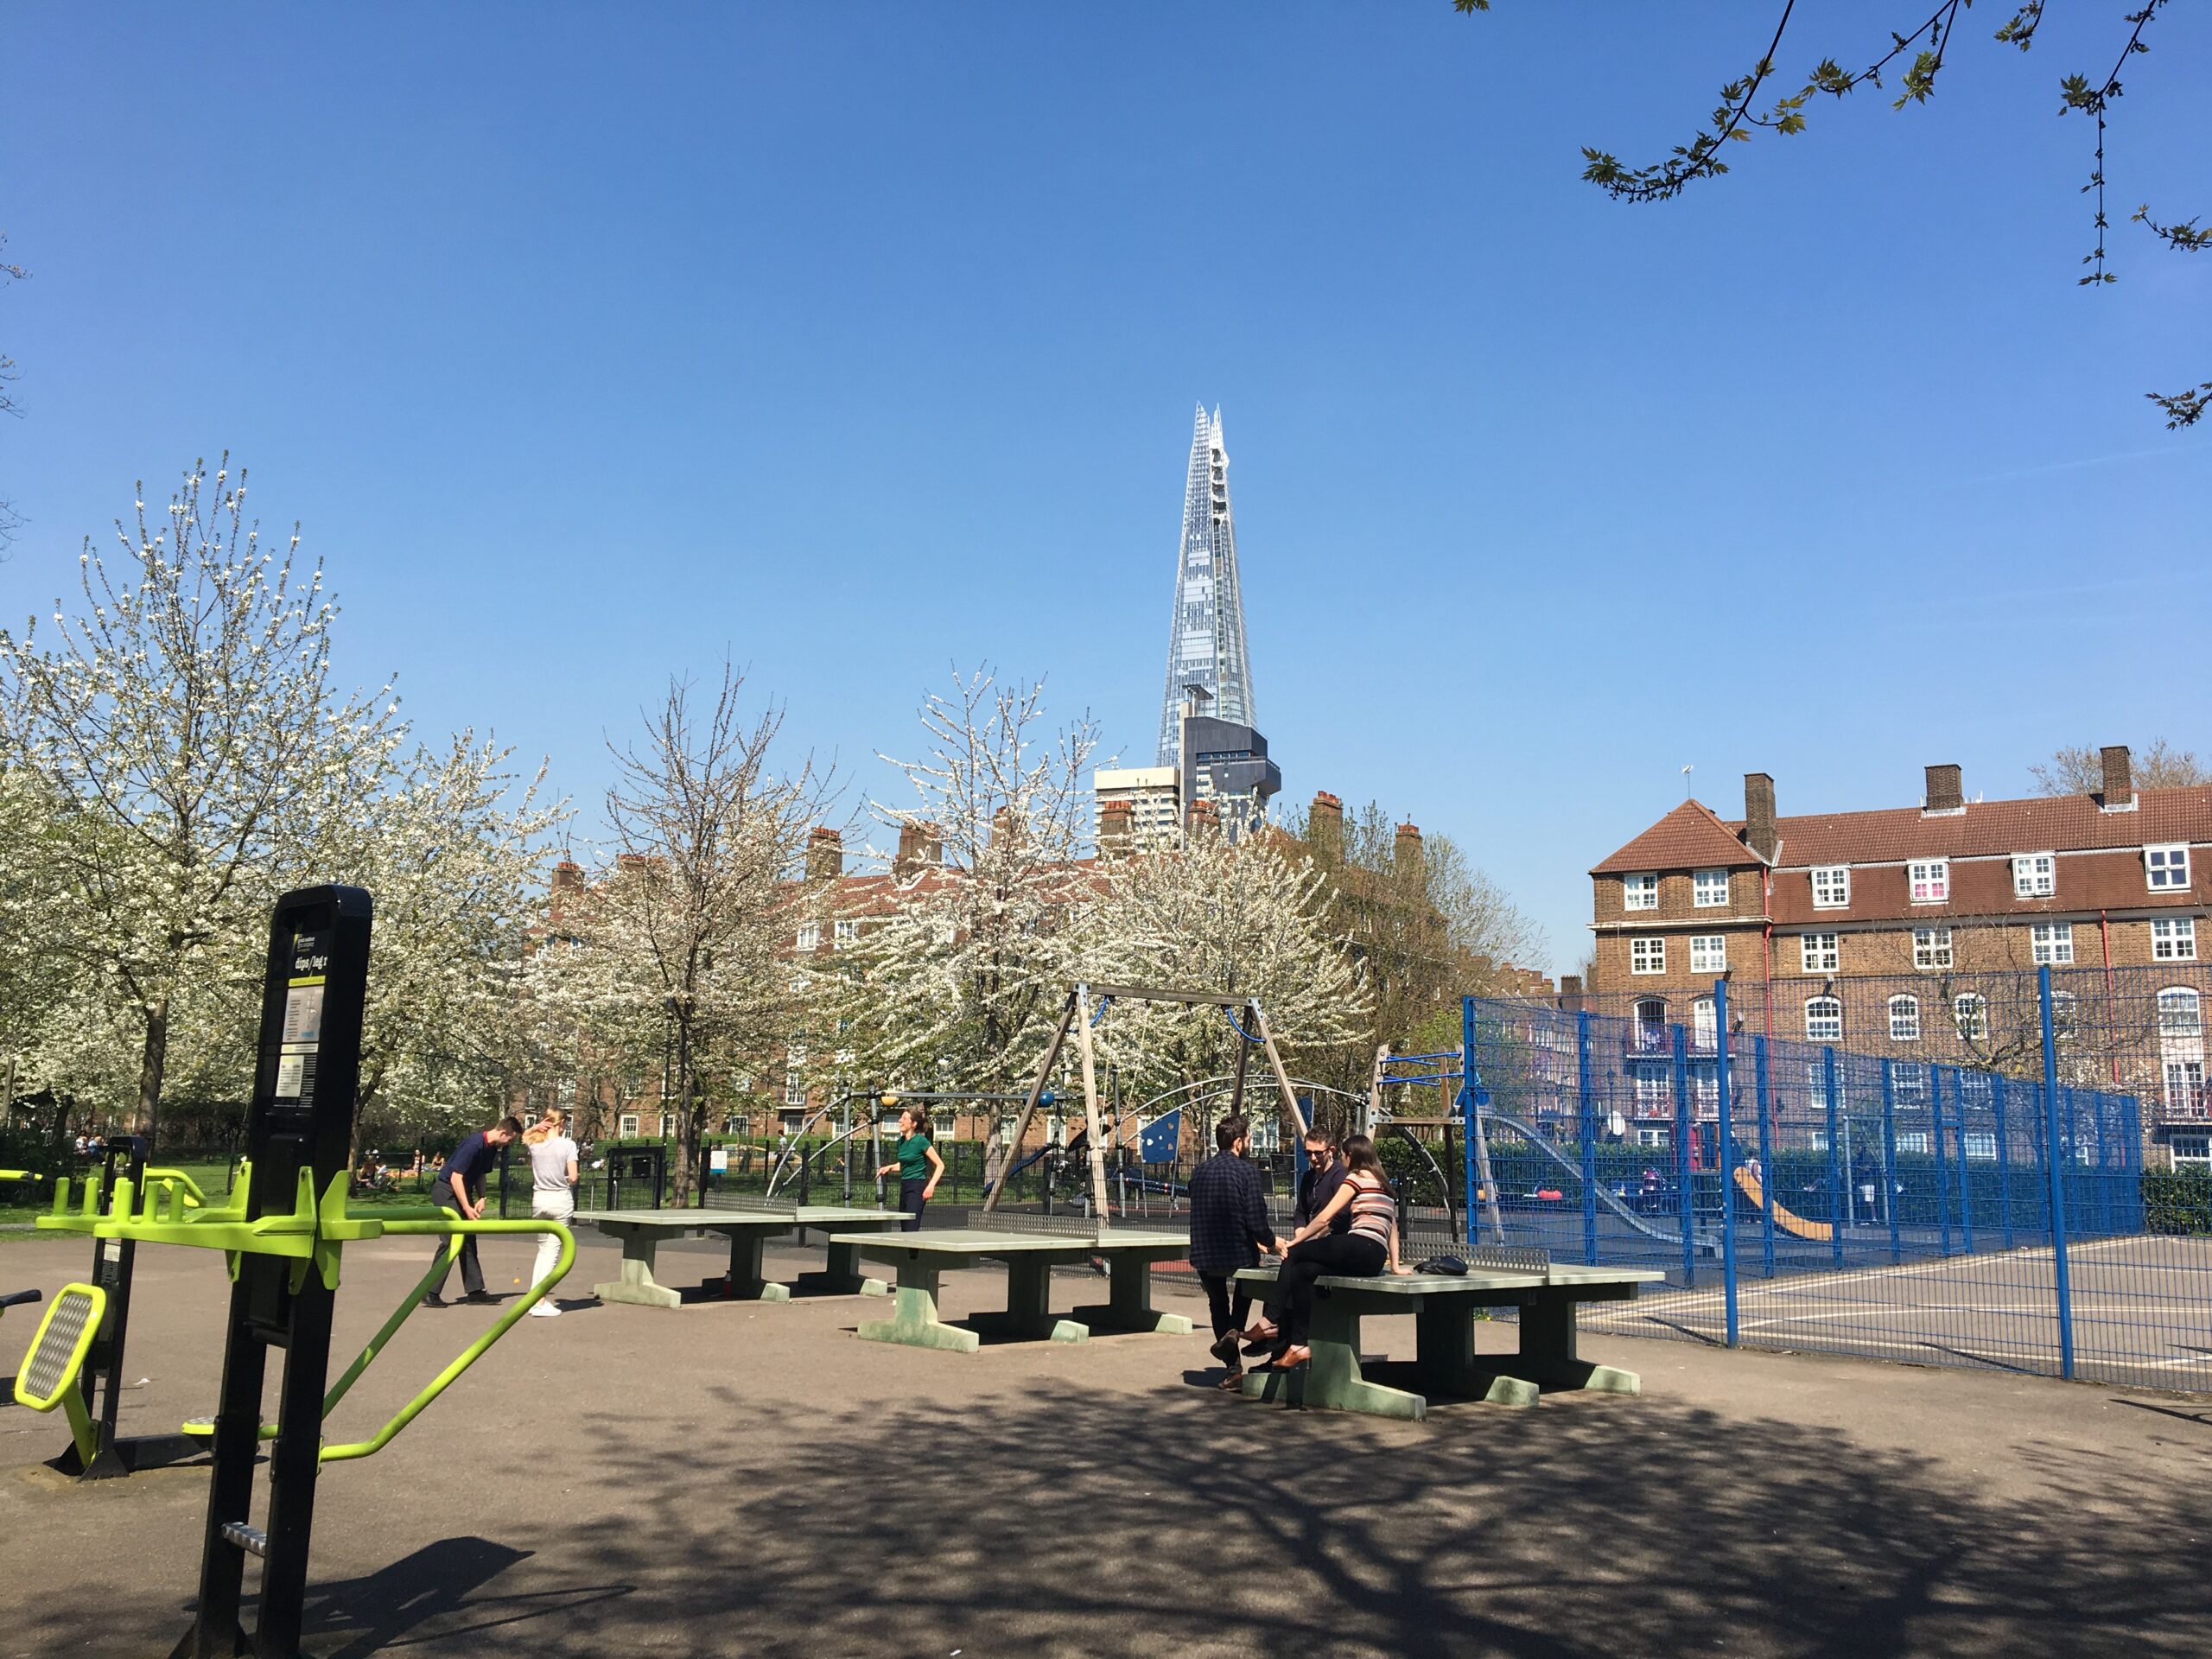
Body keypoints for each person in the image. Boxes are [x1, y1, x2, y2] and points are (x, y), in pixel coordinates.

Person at [1262, 1133, 1409, 1371]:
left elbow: (1325, 1217)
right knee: (1303, 1271)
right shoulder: (1384, 1185)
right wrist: (1394, 1265)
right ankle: (1298, 1345)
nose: (1341, 1161)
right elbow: (1392, 1227)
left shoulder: (1355, 1178)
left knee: (1294, 1254)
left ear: (1351, 1156)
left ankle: (1270, 1320)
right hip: (1374, 1258)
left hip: (1358, 1244)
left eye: (1342, 1156)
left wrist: (1296, 1242)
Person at [1185, 1115, 1279, 1391]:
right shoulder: (1247, 1172)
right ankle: (1234, 1332)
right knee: (1245, 1291)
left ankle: (1233, 1369)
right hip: (1238, 1250)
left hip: (1204, 1250)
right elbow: (1256, 1220)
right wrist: (1270, 1242)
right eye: (1248, 1138)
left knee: (1217, 1303)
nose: (1248, 1143)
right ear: (1238, 1142)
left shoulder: (1198, 1172)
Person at [1245, 1123, 1345, 1348]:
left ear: (1331, 1150)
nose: (1313, 1158)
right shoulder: (1309, 1177)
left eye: (1318, 1153)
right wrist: (1301, 1231)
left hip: (1332, 1242)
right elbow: (1301, 1211)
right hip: (1312, 1241)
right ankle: (1278, 1346)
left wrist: (1311, 1237)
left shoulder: (1340, 1176)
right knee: (1291, 1276)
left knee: (1291, 1261)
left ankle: (1270, 1327)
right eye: (1308, 1153)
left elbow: (1340, 1217)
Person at [423, 1115, 524, 1306]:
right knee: (451, 1240)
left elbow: (480, 1175)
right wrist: (467, 1207)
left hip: (463, 1190)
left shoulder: (491, 1149)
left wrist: (482, 1197)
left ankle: (475, 1292)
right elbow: (455, 1177)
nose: (509, 1144)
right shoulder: (474, 1144)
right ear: (503, 1133)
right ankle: (430, 1291)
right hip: (446, 1191)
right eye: (511, 1140)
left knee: (468, 1240)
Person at [522, 1108, 580, 1318]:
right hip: (559, 1198)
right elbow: (573, 1177)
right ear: (561, 1123)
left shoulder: (535, 1144)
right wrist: (566, 1178)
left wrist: (534, 1128)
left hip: (540, 1198)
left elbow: (523, 1137)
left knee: (543, 1250)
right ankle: (539, 1301)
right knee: (552, 1252)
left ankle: (534, 1298)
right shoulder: (568, 1145)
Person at [876, 1105, 944, 1230]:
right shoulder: (901, 1142)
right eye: (901, 1118)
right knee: (904, 1226)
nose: (900, 1121)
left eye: (904, 1118)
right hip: (905, 1185)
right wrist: (889, 1167)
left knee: (911, 1227)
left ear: (913, 1124)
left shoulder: (921, 1141)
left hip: (917, 1187)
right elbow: (904, 1164)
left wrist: (931, 1186)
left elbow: (940, 1165)